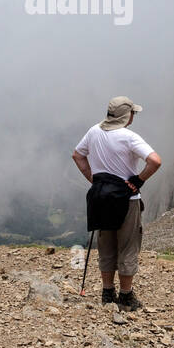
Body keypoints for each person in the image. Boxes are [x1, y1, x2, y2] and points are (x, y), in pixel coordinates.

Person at [72, 96, 162, 310]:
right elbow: (155, 161)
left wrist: (94, 179)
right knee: (128, 246)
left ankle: (107, 292)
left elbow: (77, 155)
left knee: (106, 245)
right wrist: (139, 180)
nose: (134, 116)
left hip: (100, 198)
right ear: (126, 116)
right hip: (126, 199)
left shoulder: (93, 131)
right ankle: (125, 296)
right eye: (133, 113)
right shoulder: (129, 137)